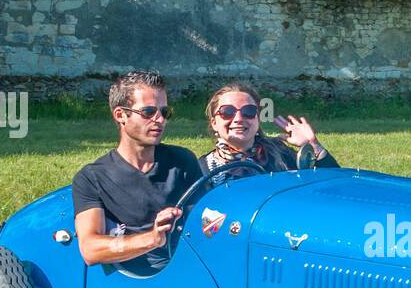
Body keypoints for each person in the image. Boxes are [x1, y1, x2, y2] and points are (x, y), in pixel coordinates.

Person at [72, 70, 201, 272]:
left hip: (190, 270)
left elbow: (206, 220)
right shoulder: (92, 178)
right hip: (136, 285)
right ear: (120, 115)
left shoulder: (183, 161)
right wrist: (153, 238)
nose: (159, 120)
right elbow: (90, 249)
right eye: (148, 112)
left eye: (165, 112)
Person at [203, 83, 339, 172]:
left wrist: (312, 145)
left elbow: (332, 186)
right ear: (214, 122)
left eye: (248, 111)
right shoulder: (204, 168)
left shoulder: (280, 154)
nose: (238, 119)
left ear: (258, 118)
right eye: (228, 112)